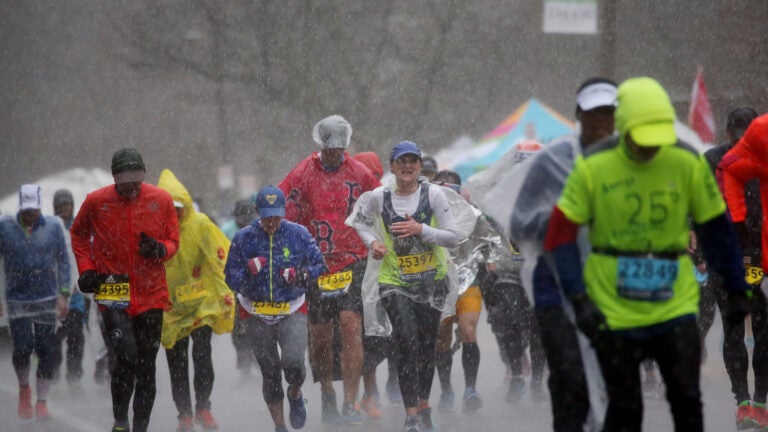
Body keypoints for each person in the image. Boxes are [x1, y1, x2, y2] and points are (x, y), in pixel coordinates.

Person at [544, 76, 751, 431]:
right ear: (623, 128)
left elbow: (716, 231)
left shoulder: (687, 163)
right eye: (643, 141)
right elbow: (559, 237)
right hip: (612, 304)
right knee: (625, 406)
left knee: (687, 400)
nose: (651, 149)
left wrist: (735, 288)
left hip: (675, 300)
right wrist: (578, 298)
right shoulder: (593, 167)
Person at [505, 77, 618, 430]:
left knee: (615, 376)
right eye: (592, 113)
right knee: (568, 373)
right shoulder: (552, 162)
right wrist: (563, 218)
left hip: (617, 289)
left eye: (609, 112)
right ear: (578, 116)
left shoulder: (634, 160)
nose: (601, 121)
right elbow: (518, 225)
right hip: (554, 287)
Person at [347, 140, 461, 432]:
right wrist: (372, 242)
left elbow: (452, 236)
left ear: (420, 166)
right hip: (393, 281)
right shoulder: (378, 197)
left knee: (426, 346)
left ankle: (423, 405)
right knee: (406, 341)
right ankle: (410, 417)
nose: (407, 166)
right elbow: (357, 221)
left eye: (413, 161)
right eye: (402, 161)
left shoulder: (432, 194)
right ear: (393, 166)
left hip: (430, 280)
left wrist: (420, 229)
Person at [278, 115, 380, 425]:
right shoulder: (303, 172)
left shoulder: (360, 174)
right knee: (320, 336)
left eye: (339, 149)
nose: (334, 154)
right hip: (316, 264)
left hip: (352, 260)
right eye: (329, 149)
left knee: (351, 327)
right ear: (321, 146)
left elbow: (382, 207)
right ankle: (326, 391)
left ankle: (350, 402)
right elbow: (281, 205)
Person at [71, 148, 180, 432]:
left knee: (146, 365)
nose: (132, 186)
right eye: (125, 180)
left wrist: (159, 249)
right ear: (114, 178)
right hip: (112, 289)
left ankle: (140, 426)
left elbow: (173, 241)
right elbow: (79, 233)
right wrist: (87, 269)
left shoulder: (161, 199)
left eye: (137, 178)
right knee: (125, 359)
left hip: (151, 292)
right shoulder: (96, 201)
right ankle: (120, 421)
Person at [224, 185, 326, 432]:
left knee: (293, 363)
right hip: (255, 312)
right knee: (270, 372)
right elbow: (229, 277)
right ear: (257, 211)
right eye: (267, 215)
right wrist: (247, 271)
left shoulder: (298, 234)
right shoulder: (243, 238)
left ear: (284, 212)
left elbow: (319, 265)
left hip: (291, 309)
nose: (272, 221)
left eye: (276, 215)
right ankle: (280, 426)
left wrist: (300, 275)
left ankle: (295, 393)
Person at [158, 169, 235, 432]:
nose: (176, 213)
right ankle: (184, 413)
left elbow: (221, 254)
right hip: (171, 308)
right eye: (170, 208)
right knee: (176, 362)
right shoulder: (155, 229)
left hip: (201, 303)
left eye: (179, 208)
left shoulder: (201, 224)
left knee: (202, 355)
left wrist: (231, 281)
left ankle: (203, 407)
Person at [431, 169, 511, 412]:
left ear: (459, 193)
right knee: (442, 339)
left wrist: (491, 258)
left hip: (469, 282)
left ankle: (470, 390)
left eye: (451, 190)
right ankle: (446, 390)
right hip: (440, 285)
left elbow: (493, 239)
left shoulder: (472, 214)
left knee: (468, 331)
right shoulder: (427, 214)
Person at [0, 184, 71, 420]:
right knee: (22, 348)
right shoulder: (5, 227)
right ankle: (23, 388)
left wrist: (64, 293)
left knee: (45, 350)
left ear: (40, 206)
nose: (30, 213)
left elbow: (63, 261)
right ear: (21, 206)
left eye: (34, 209)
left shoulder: (53, 227)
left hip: (46, 297)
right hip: (17, 298)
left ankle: (41, 401)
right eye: (26, 209)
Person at [717, 109, 768, 428]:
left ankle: (760, 401)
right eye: (736, 135)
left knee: (765, 331)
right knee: (733, 329)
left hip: (762, 253)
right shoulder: (712, 161)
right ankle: (743, 401)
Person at [51, 189, 89, 390]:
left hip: (75, 297)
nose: (65, 208)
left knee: (76, 338)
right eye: (61, 204)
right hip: (55, 297)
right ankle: (53, 373)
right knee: (55, 339)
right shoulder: (50, 228)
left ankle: (74, 375)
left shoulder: (79, 228)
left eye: (68, 204)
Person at [220, 199, 259, 379]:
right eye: (240, 218)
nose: (243, 221)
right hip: (232, 284)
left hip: (255, 284)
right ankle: (244, 367)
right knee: (237, 328)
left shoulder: (257, 229)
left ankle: (260, 362)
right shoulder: (226, 231)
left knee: (258, 325)